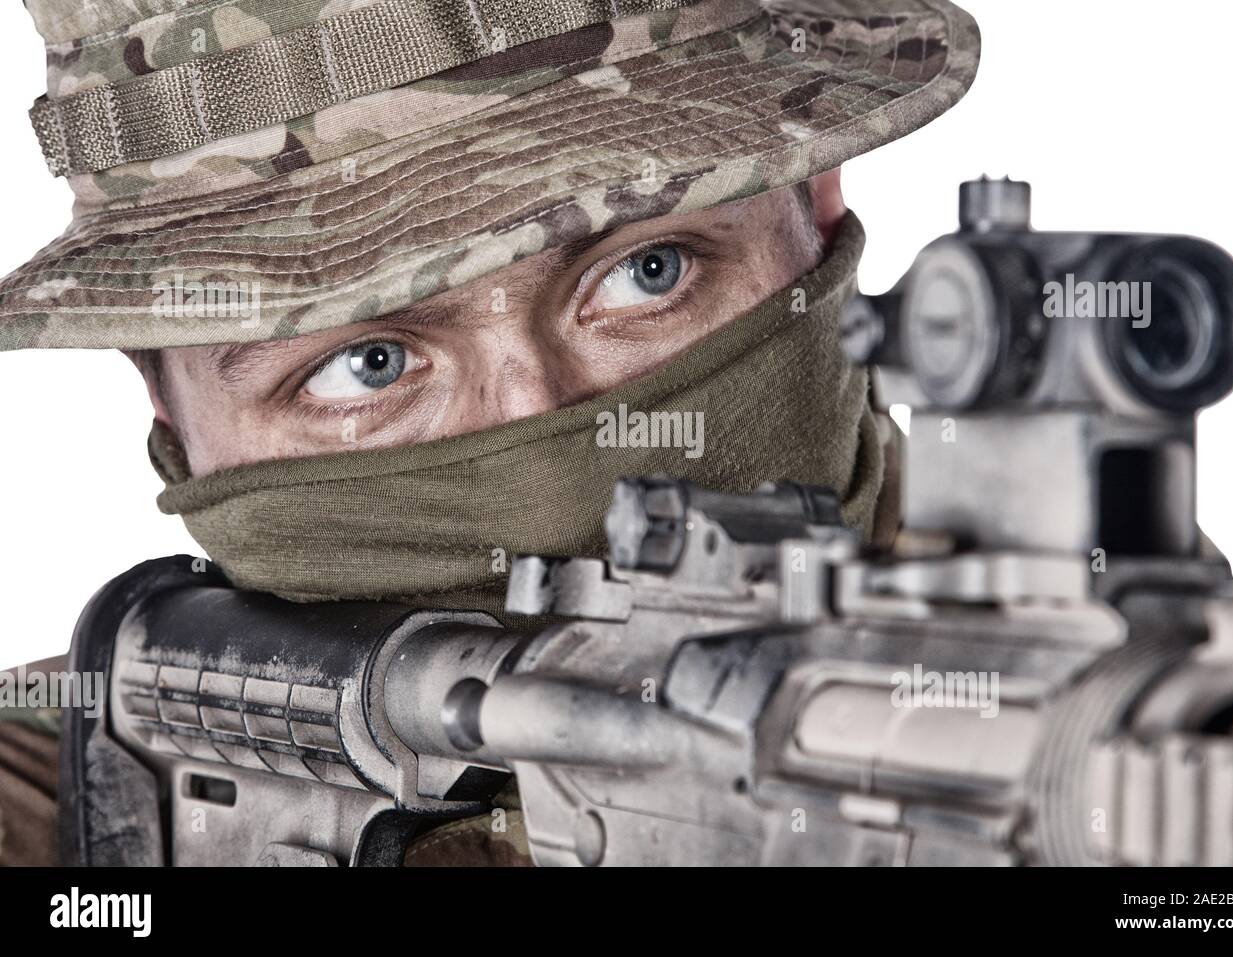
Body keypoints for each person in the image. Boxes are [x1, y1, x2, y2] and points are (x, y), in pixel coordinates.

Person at [0, 0, 979, 865]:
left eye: (652, 271)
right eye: (367, 366)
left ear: (813, 201)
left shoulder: (1094, 718)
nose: (541, 445)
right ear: (163, 401)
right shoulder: (58, 789)